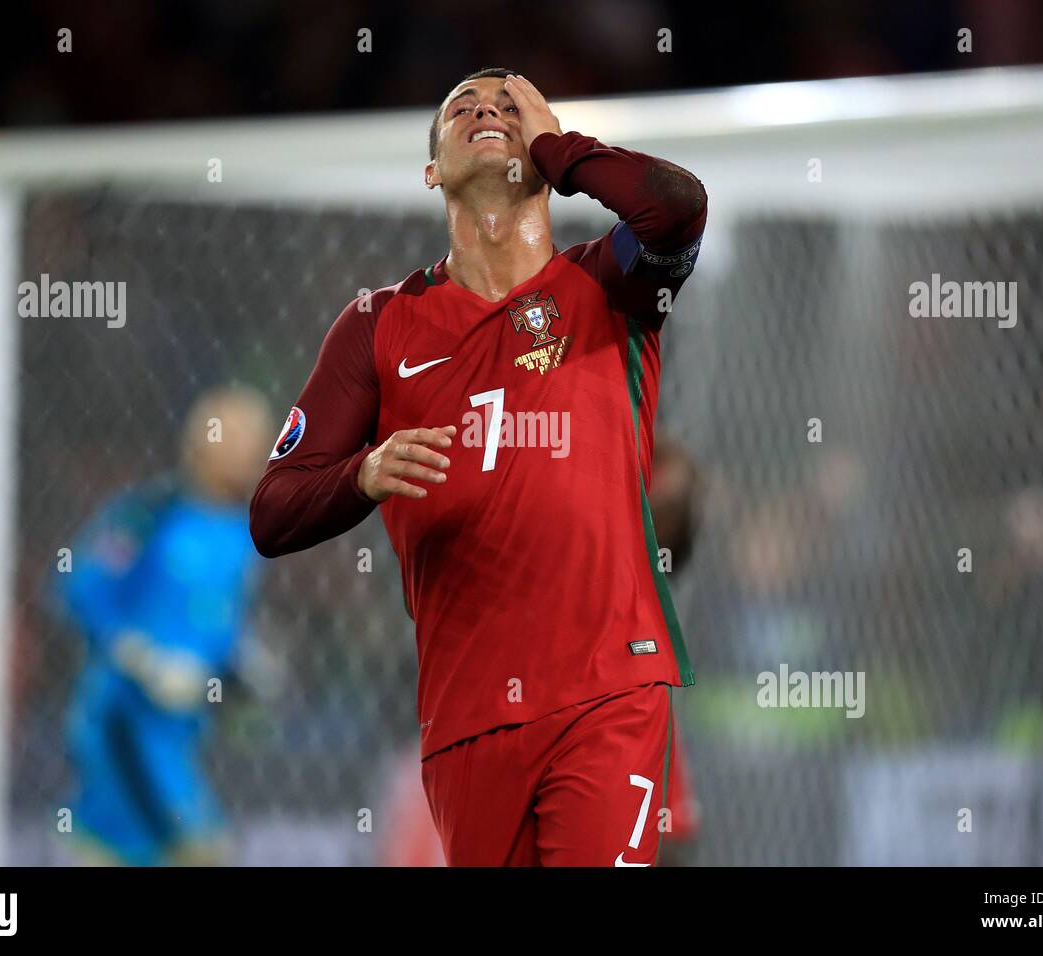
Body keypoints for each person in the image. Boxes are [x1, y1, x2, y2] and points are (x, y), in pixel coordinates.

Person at [252, 69, 707, 866]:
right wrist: (361, 474)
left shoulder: (610, 284)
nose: (485, 112)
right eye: (462, 107)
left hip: (608, 690)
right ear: (432, 171)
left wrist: (561, 147)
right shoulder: (378, 325)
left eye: (507, 106)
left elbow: (676, 204)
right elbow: (272, 511)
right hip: (467, 715)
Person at [59, 386, 272, 865]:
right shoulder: (150, 515)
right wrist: (140, 656)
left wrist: (243, 667)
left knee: (124, 848)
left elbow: (217, 629)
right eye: (235, 437)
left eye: (255, 440)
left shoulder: (247, 535)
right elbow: (83, 589)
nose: (248, 452)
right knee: (198, 848)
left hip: (179, 732)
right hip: (127, 722)